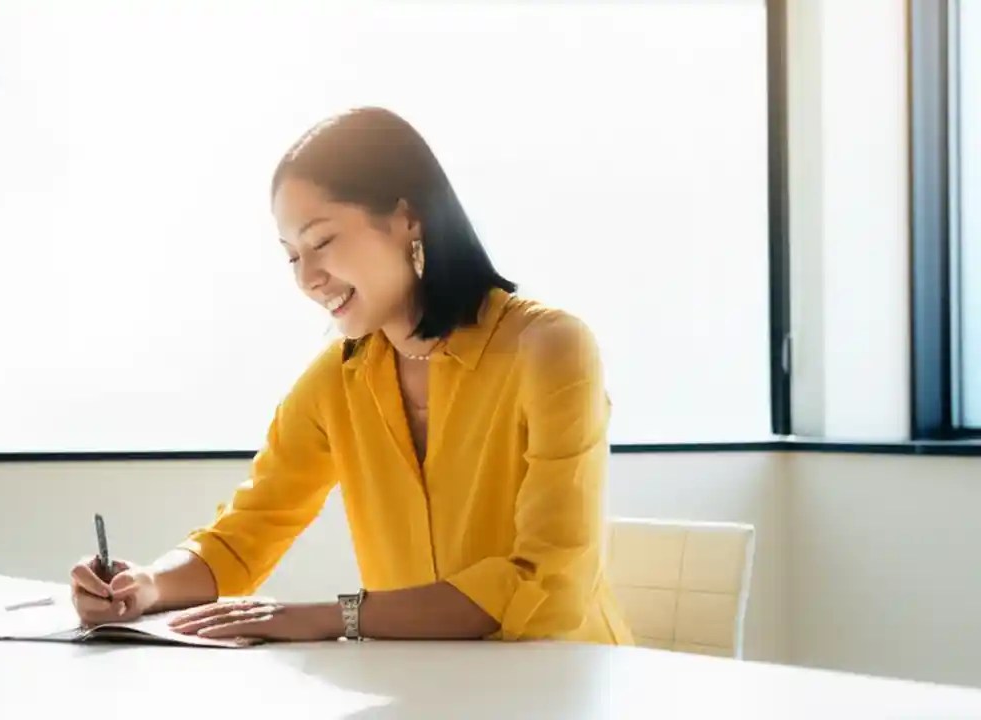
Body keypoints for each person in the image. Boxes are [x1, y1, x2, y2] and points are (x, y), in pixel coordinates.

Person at [69, 107, 634, 645]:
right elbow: (243, 538)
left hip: (566, 684)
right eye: (292, 256)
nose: (308, 277)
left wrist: (333, 617)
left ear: (407, 217)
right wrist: (146, 585)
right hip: (425, 692)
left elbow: (547, 587)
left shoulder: (550, 348)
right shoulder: (336, 382)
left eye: (322, 241)